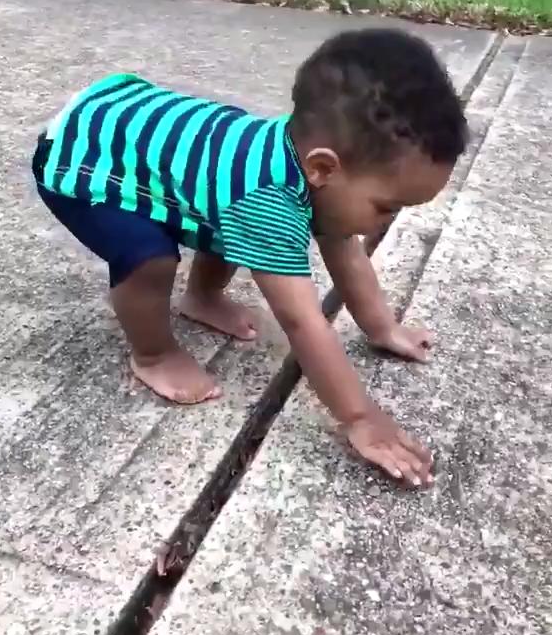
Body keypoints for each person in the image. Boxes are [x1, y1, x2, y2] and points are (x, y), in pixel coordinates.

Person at [32, 28, 467, 488]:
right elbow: (303, 321)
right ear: (322, 168)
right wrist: (359, 416)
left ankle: (202, 296)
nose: (386, 222)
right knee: (150, 258)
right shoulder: (267, 196)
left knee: (227, 221)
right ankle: (153, 352)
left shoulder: (307, 168)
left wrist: (383, 327)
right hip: (83, 153)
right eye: (386, 206)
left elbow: (344, 250)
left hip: (138, 123)